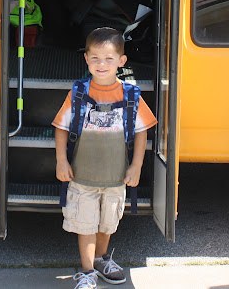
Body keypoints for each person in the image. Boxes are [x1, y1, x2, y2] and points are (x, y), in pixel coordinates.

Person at [53, 27, 158, 289]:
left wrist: (136, 166)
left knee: (107, 223)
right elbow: (61, 128)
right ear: (86, 59)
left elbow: (142, 131)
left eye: (109, 58)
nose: (102, 64)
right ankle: (87, 271)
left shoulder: (131, 95)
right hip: (82, 176)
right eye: (95, 58)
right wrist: (61, 161)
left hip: (116, 177)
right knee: (86, 224)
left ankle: (101, 260)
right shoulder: (77, 93)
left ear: (121, 62)